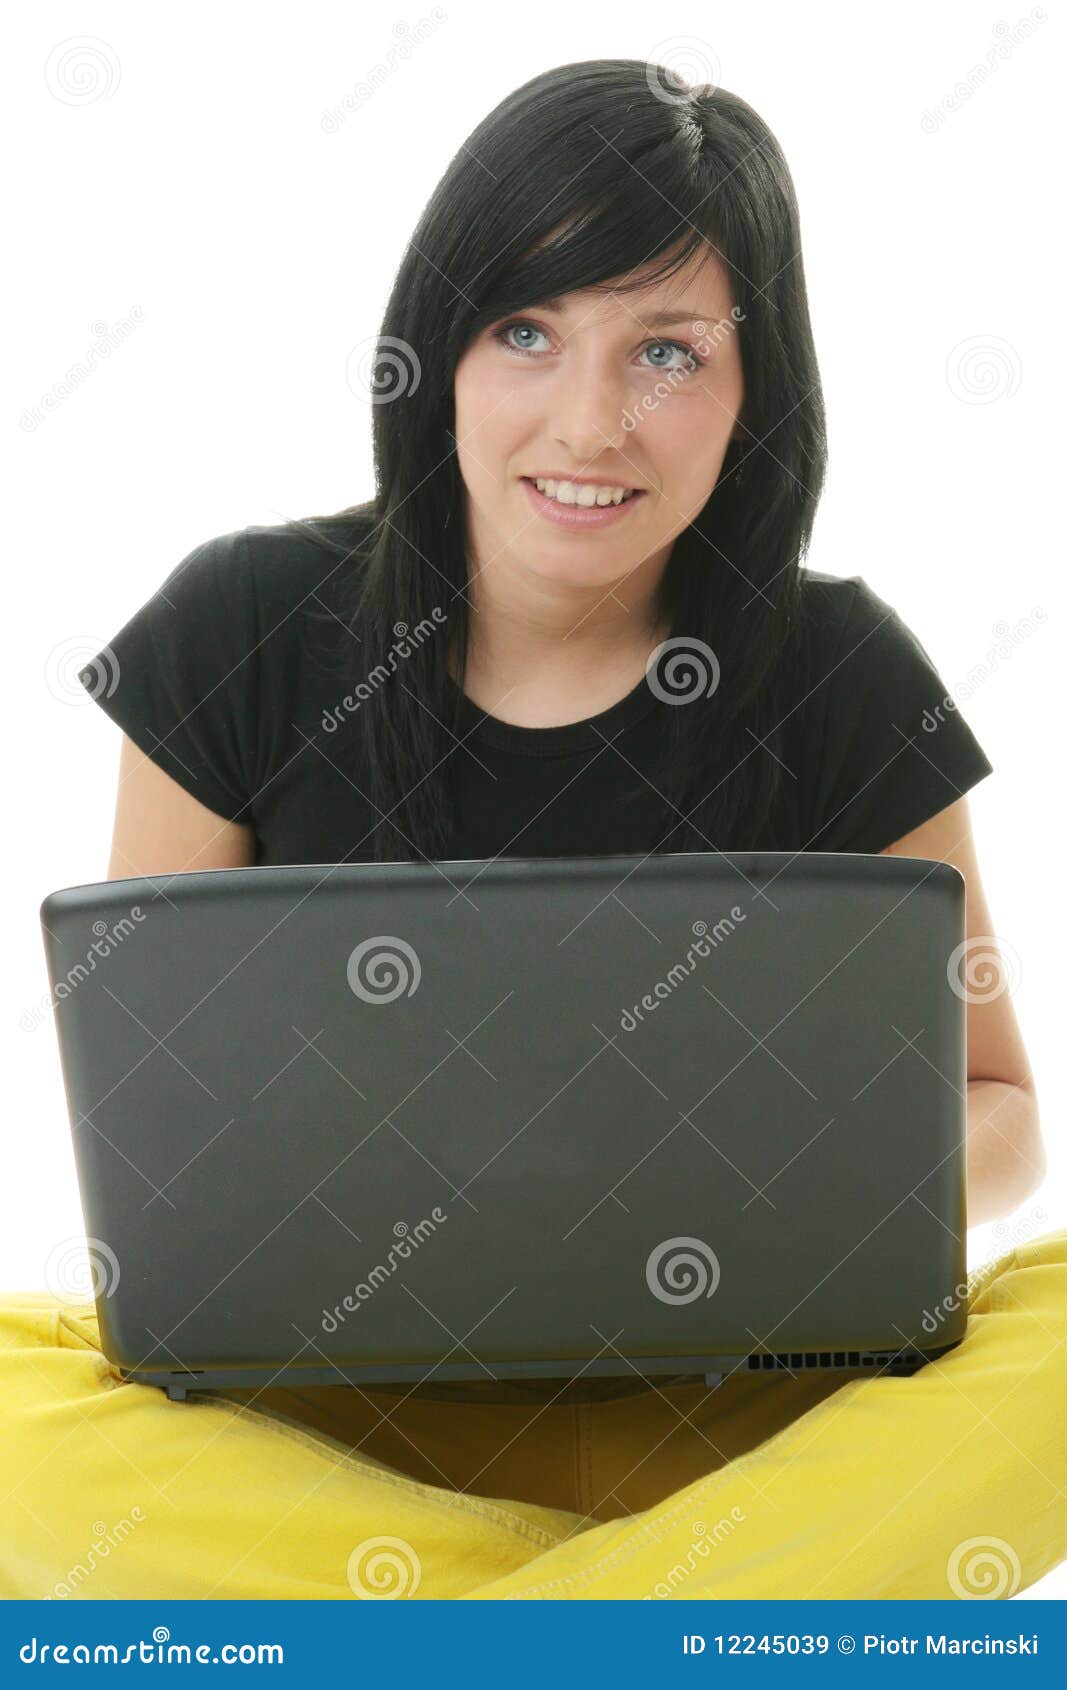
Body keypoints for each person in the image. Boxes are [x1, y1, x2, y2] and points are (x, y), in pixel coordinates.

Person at [4, 59, 1062, 1602]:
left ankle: (450, 1624)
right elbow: (157, 1135)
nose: (591, 421)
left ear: (760, 389)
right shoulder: (242, 623)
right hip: (322, 1440)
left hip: (734, 1427)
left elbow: (1002, 1110)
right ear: (434, 358)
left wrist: (743, 1216)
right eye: (525, 332)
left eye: (668, 352)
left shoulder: (843, 674)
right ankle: (632, 1609)